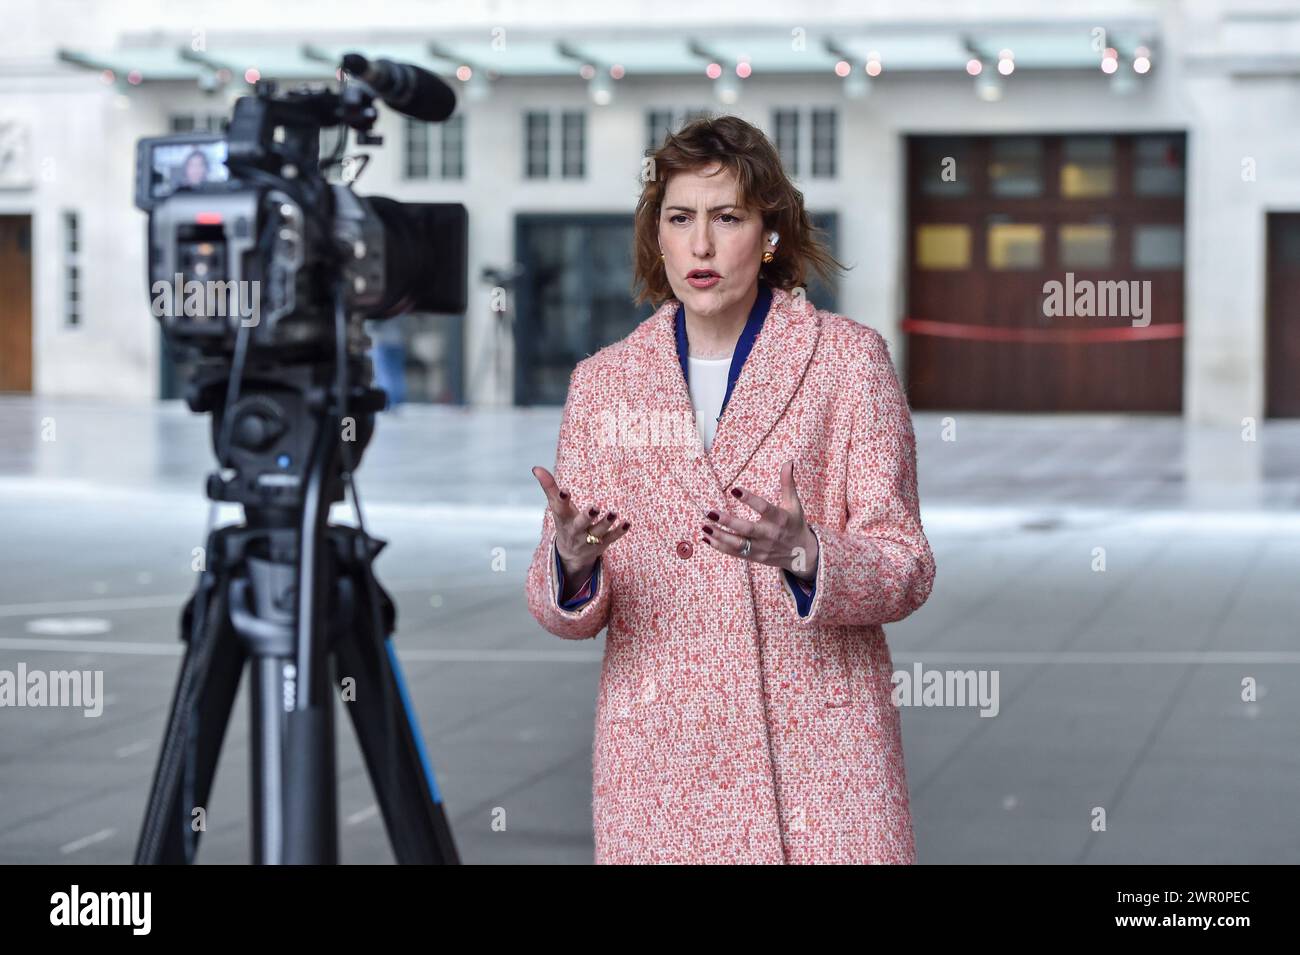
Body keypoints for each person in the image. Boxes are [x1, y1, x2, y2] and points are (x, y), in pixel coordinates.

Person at [526, 114, 937, 864]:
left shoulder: (848, 363)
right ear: (658, 236)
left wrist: (808, 553)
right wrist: (572, 565)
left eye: (728, 217)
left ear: (770, 234)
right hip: (660, 765)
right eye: (680, 219)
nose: (702, 245)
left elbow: (906, 566)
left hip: (820, 764)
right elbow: (561, 608)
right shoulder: (603, 384)